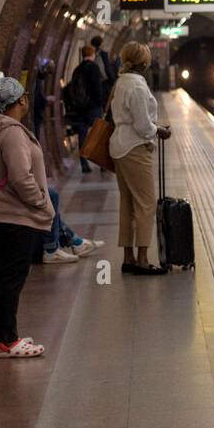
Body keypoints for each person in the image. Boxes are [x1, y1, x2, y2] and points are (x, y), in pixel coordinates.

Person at [0, 77, 53, 358]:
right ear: (20, 100)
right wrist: (41, 203)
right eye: (25, 96)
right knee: (11, 277)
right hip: (16, 215)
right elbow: (21, 177)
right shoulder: (13, 134)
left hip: (2, 214)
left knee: (1, 276)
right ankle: (8, 339)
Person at [109, 41, 171, 275]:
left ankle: (129, 258)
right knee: (146, 204)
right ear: (143, 62)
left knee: (127, 204)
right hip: (134, 147)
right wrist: (159, 130)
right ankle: (143, 260)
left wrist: (152, 127)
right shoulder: (135, 85)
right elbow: (142, 125)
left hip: (119, 146)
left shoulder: (121, 81)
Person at [72, 44, 107, 173]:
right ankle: (102, 163)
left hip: (80, 107)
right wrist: (101, 104)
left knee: (82, 135)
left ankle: (84, 164)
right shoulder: (94, 68)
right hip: (93, 107)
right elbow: (97, 88)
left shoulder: (77, 69)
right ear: (92, 54)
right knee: (99, 134)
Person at [91, 35, 116, 105]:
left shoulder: (92, 55)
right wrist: (112, 80)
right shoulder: (102, 55)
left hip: (95, 85)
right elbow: (105, 69)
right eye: (102, 43)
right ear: (100, 45)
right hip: (104, 84)